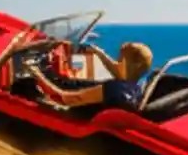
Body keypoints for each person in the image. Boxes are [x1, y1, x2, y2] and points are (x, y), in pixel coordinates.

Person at [25, 41, 153, 109]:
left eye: (119, 59)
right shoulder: (134, 89)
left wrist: (36, 74)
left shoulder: (112, 89)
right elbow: (119, 72)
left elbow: (65, 98)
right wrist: (98, 53)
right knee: (64, 79)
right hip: (79, 93)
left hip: (71, 110)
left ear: (126, 64)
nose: (116, 62)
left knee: (24, 86)